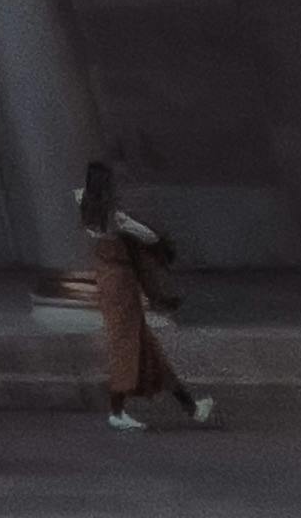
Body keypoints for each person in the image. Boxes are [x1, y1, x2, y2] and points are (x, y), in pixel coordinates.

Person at [79, 161, 217, 433]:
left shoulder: (84, 206)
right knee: (128, 345)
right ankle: (117, 411)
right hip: (122, 284)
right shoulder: (115, 217)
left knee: (143, 347)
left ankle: (190, 406)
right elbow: (150, 236)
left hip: (106, 280)